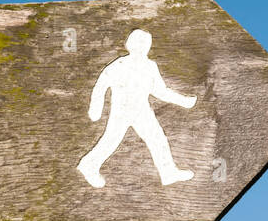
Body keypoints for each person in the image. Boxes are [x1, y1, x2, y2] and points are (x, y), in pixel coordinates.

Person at [77, 29, 196, 188]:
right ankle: (88, 165)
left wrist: (184, 101)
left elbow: (160, 91)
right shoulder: (119, 64)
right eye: (138, 43)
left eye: (145, 43)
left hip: (142, 110)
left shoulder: (150, 66)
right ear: (129, 45)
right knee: (111, 140)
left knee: (157, 138)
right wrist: (95, 109)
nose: (142, 47)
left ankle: (168, 173)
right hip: (122, 110)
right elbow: (101, 86)